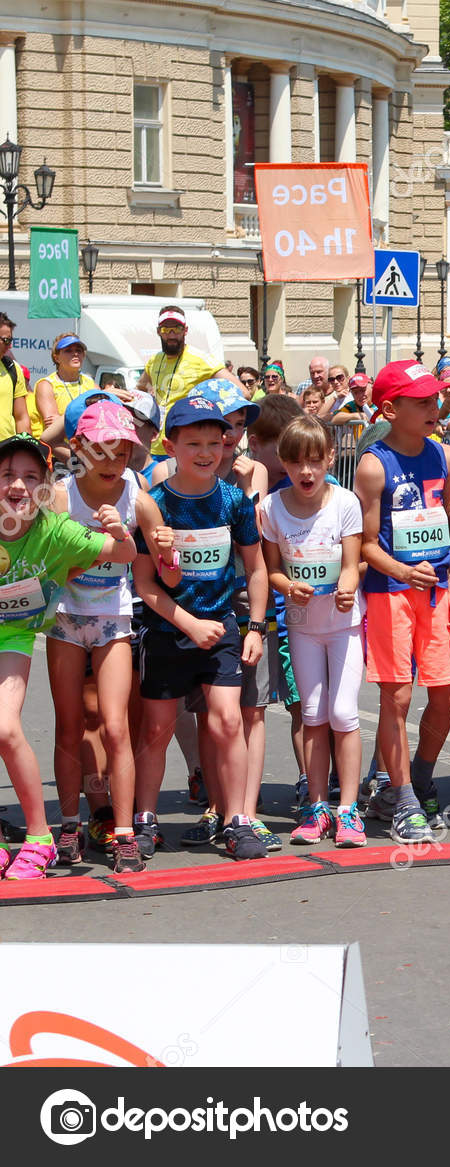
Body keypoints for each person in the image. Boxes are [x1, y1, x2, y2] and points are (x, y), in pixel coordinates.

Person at [131, 395, 270, 861]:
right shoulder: (153, 505)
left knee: (228, 720)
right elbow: (145, 583)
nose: (208, 451)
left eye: (216, 441)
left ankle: (236, 820)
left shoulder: (233, 501)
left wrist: (255, 628)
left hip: (222, 629)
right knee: (156, 727)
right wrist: (188, 623)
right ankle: (145, 819)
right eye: (194, 443)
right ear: (170, 445)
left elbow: (255, 569)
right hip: (169, 631)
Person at [0, 432, 137, 879]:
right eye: (6, 475)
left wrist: (118, 531)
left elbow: (126, 552)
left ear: (45, 488)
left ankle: (40, 838)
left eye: (29, 477)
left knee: (4, 728)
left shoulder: (56, 531)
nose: (17, 486)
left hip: (14, 637)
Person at [46, 403, 168, 874]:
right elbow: (52, 566)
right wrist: (109, 547)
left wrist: (164, 548)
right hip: (66, 618)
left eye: (124, 449)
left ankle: (123, 832)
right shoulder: (59, 496)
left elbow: (164, 571)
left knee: (117, 727)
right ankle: (71, 824)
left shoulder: (137, 498)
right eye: (103, 448)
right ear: (79, 448)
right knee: (69, 726)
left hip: (114, 618)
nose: (114, 458)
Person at [354, 360, 450, 844]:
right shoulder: (373, 464)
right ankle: (401, 798)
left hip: (437, 592)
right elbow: (363, 542)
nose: (434, 407)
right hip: (390, 593)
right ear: (389, 408)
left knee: (447, 694)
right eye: (420, 401)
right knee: (396, 697)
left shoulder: (448, 457)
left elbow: (447, 531)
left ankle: (418, 780)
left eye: (436, 398)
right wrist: (401, 571)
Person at [259, 415, 367, 849]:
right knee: (313, 715)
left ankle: (349, 811)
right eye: (296, 463)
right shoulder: (270, 508)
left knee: (343, 715)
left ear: (329, 459)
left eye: (315, 462)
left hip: (344, 625)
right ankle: (317, 807)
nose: (306, 472)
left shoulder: (345, 503)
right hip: (302, 628)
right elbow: (271, 571)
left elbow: (351, 565)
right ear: (283, 463)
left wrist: (346, 589)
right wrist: (289, 586)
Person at [144, 306, 236, 453]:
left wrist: (211, 419)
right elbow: (139, 391)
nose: (172, 334)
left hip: (185, 449)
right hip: (154, 447)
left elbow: (241, 392)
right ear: (158, 331)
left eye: (177, 328)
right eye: (165, 329)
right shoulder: (154, 361)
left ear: (185, 330)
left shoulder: (201, 359)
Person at [0, 313, 31, 440]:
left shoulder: (12, 368)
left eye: (11, 340)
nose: (10, 346)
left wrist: (27, 449)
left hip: (6, 449)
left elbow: (21, 417)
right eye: (6, 340)